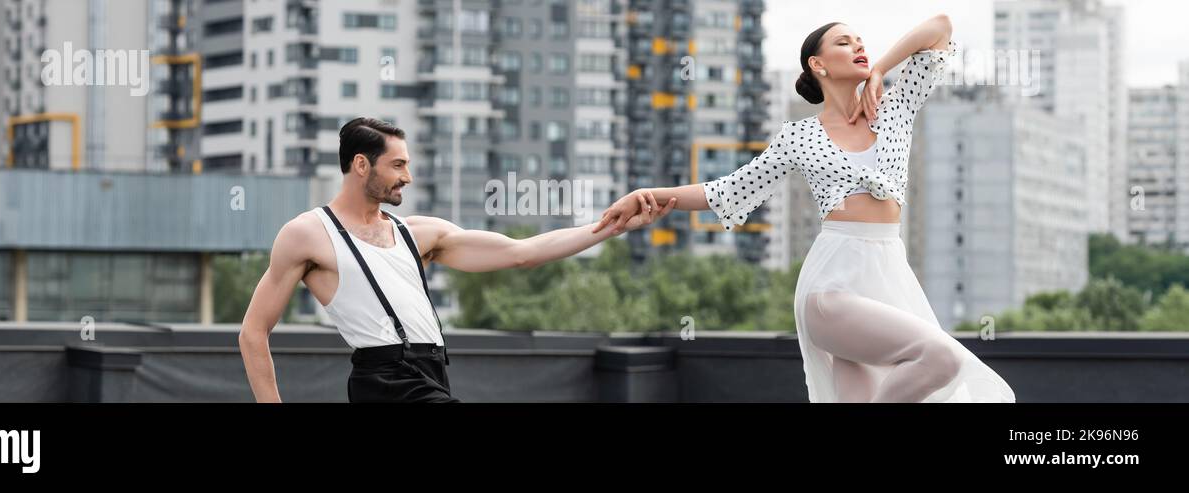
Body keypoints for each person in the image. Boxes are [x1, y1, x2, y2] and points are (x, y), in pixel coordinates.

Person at [596, 16, 1014, 403]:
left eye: (860, 41)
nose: (858, 46)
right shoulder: (798, 137)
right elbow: (728, 190)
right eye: (843, 42)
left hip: (888, 278)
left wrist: (880, 70)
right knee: (944, 359)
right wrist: (647, 194)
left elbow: (939, 28)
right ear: (818, 64)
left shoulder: (895, 105)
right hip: (832, 286)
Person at [239, 117, 675, 403]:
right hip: (384, 378)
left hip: (432, 371)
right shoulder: (306, 234)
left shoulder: (419, 233)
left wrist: (609, 227)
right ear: (360, 165)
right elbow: (254, 332)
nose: (407, 176)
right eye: (397, 165)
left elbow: (521, 253)